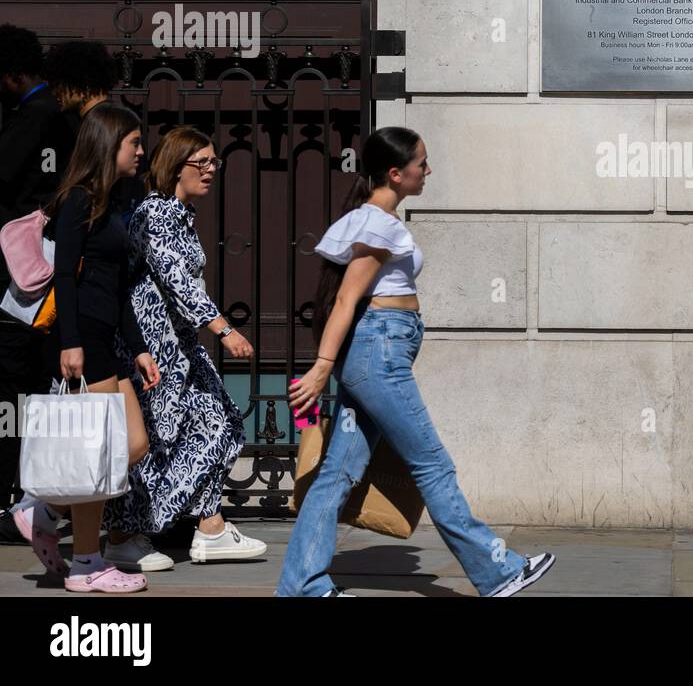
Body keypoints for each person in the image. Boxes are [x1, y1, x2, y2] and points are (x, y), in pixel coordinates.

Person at [276, 127, 556, 597]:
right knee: (432, 465)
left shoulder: (373, 219)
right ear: (395, 172)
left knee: (337, 474)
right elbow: (347, 298)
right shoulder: (379, 224)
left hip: (374, 353)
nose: (428, 170)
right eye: (421, 163)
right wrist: (322, 366)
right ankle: (499, 570)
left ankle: (301, 585)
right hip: (379, 356)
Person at [101, 126, 266, 571]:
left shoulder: (180, 213)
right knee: (152, 443)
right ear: (176, 166)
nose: (212, 170)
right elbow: (175, 278)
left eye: (215, 162)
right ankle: (124, 535)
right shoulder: (152, 213)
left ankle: (209, 529)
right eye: (203, 163)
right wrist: (223, 328)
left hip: (181, 347)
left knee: (223, 424)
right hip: (152, 348)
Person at [11, 103, 161, 593]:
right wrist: (70, 342)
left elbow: (117, 287)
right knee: (97, 452)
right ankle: (87, 565)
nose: (141, 151)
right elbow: (67, 281)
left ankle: (45, 509)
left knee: (132, 444)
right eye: (133, 143)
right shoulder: (76, 200)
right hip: (82, 338)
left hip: (106, 337)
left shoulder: (116, 201)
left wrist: (138, 347)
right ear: (108, 144)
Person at [0, 25, 77, 542]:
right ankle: (34, 497)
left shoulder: (36, 118)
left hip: (21, 288)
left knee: (15, 388)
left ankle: (21, 500)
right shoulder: (58, 119)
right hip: (38, 284)